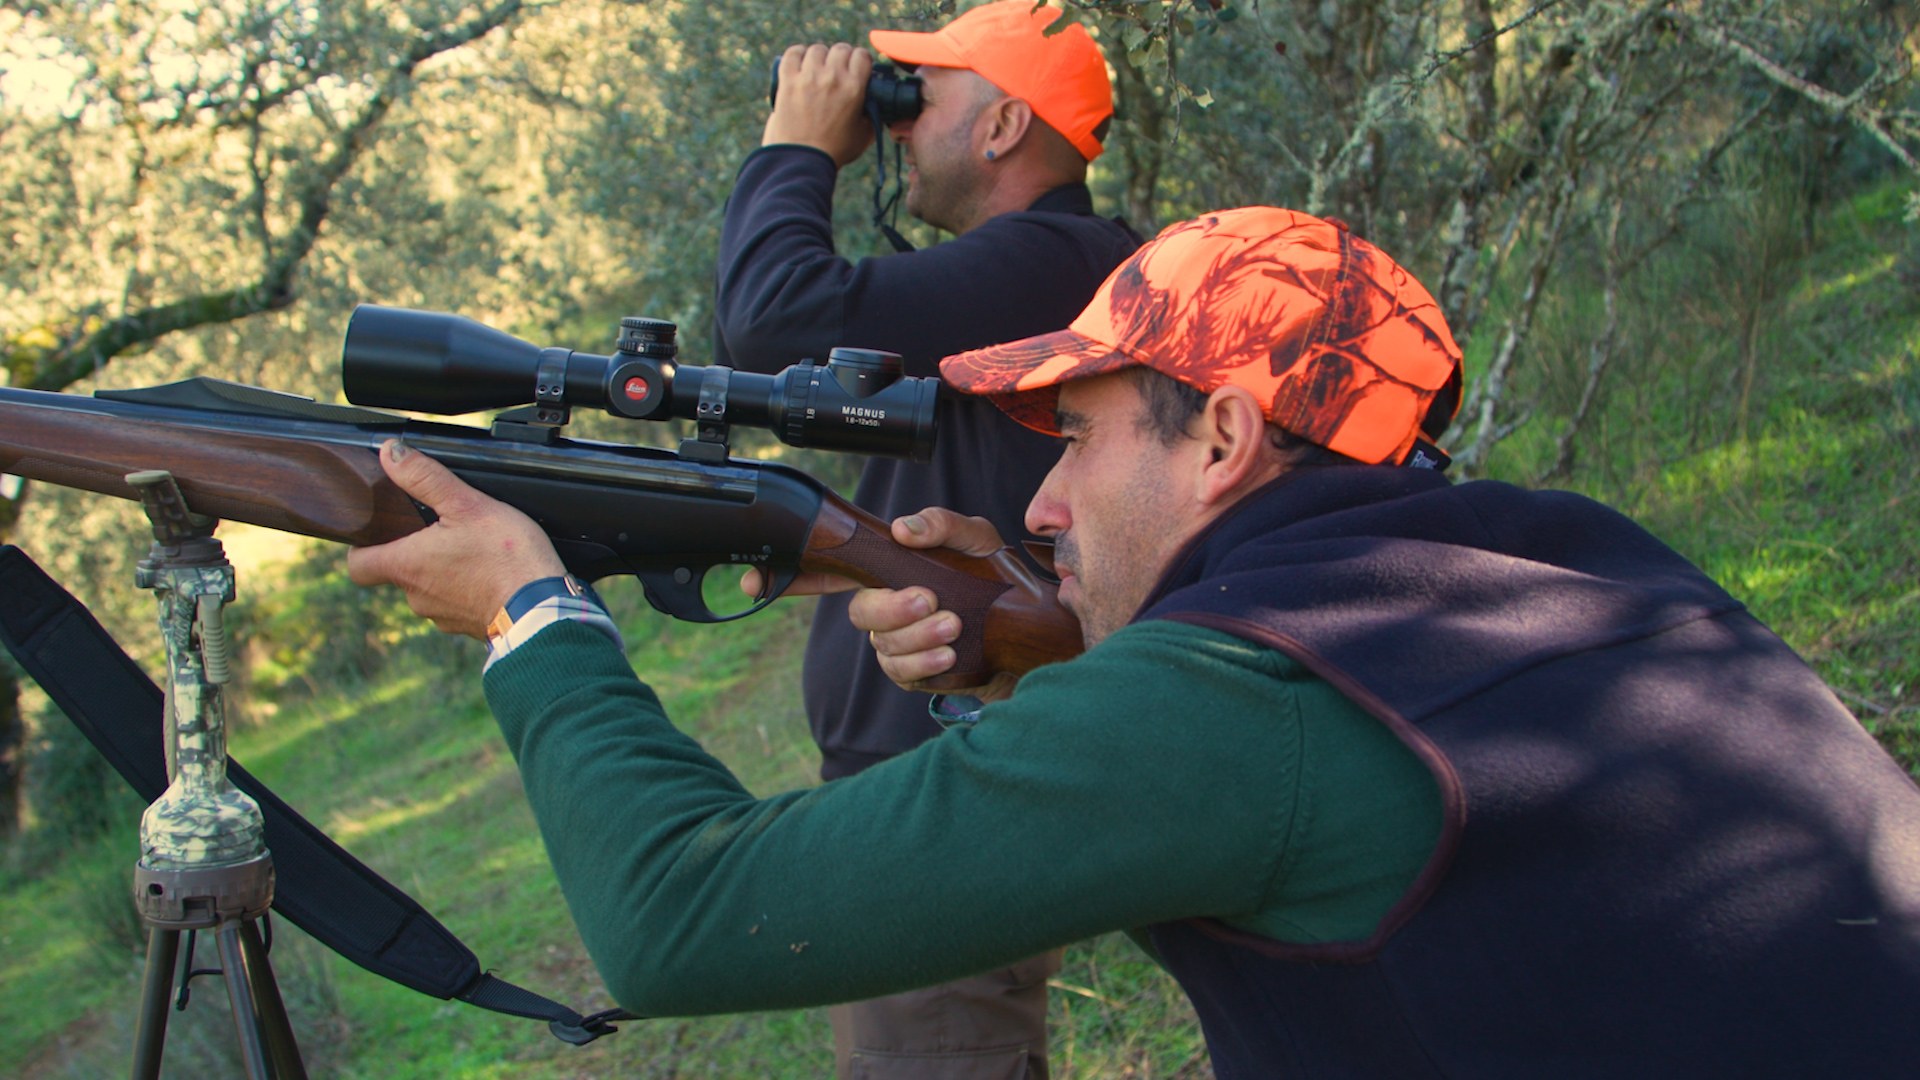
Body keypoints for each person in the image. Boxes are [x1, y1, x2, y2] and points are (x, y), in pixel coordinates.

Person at [349, 207, 1920, 1078]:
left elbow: (677, 922)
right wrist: (1054, 649)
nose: (1037, 496)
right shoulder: (1575, 559)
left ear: (1225, 435)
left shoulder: (1243, 704)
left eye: (1081, 435)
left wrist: (530, 612)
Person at [713, 2, 1138, 1071]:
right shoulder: (1022, 278)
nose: (894, 121)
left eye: (919, 95)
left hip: (952, 789)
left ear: (1001, 128)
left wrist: (800, 146)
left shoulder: (1057, 260)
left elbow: (772, 320)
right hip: (928, 773)